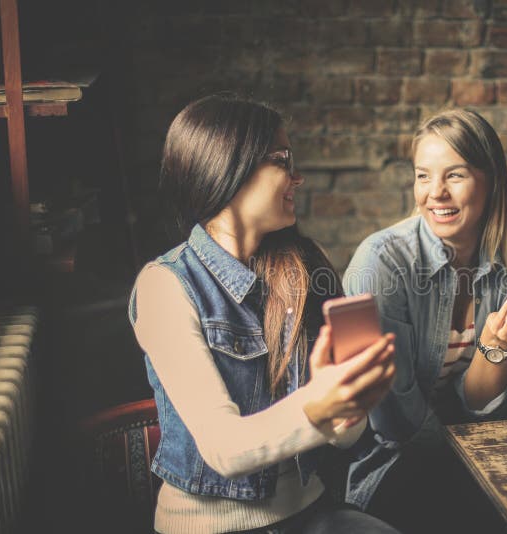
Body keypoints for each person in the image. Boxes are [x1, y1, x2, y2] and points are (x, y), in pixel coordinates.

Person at [128, 93, 400, 534]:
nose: (298, 177)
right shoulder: (164, 285)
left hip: (312, 512)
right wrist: (317, 405)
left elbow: (347, 436)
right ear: (228, 168)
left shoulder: (306, 265)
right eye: (281, 160)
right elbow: (224, 448)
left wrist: (351, 403)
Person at [342, 109, 507, 532]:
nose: (435, 193)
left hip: (470, 451)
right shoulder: (382, 263)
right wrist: (470, 459)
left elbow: (481, 410)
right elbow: (393, 418)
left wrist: (492, 349)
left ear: (491, 181)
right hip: (390, 461)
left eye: (454, 175)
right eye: (423, 176)